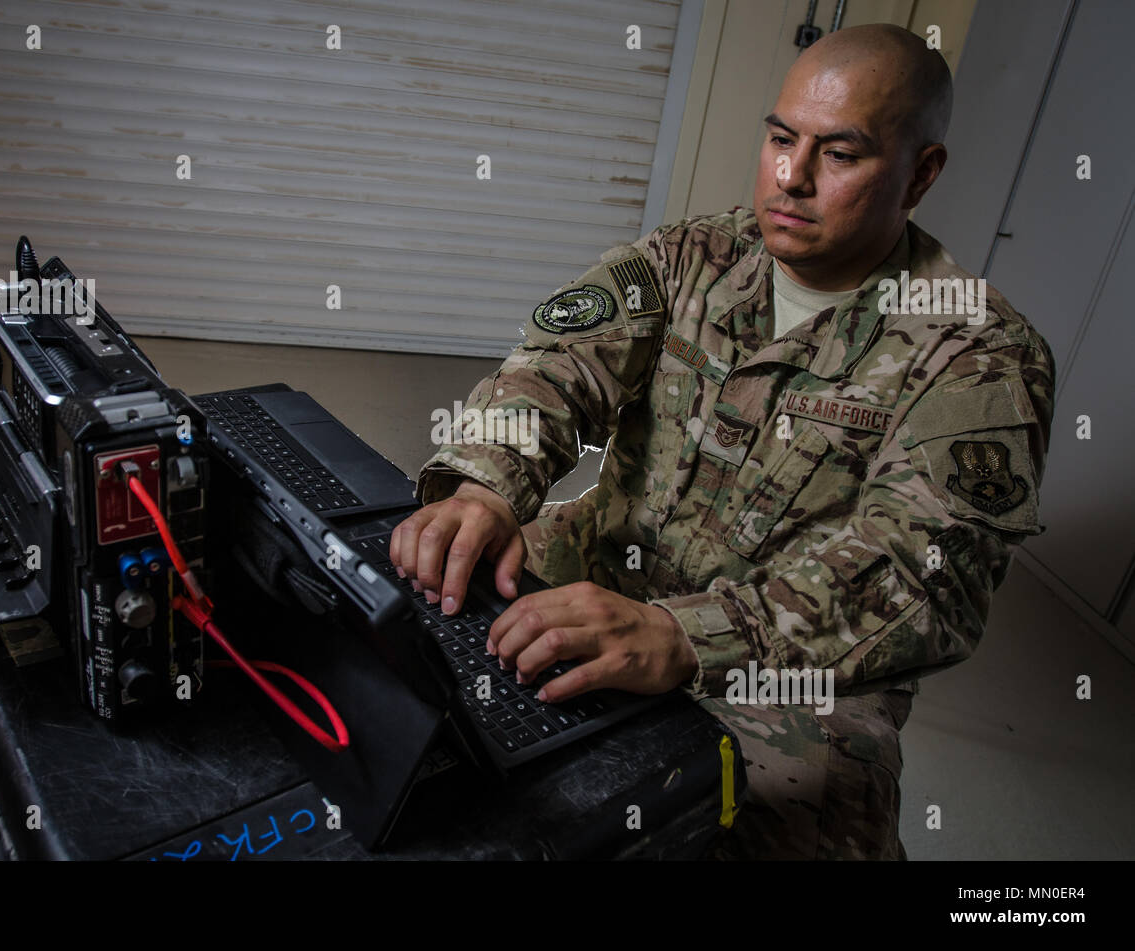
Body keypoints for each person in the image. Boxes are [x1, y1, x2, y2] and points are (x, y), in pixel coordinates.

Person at [389, 23, 1055, 859]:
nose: (791, 176)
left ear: (921, 173)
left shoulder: (978, 353)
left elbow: (922, 578)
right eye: (781, 138)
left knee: (784, 817)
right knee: (416, 621)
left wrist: (680, 637)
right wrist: (489, 484)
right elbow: (555, 371)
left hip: (794, 659)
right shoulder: (690, 257)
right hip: (611, 557)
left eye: (839, 154)